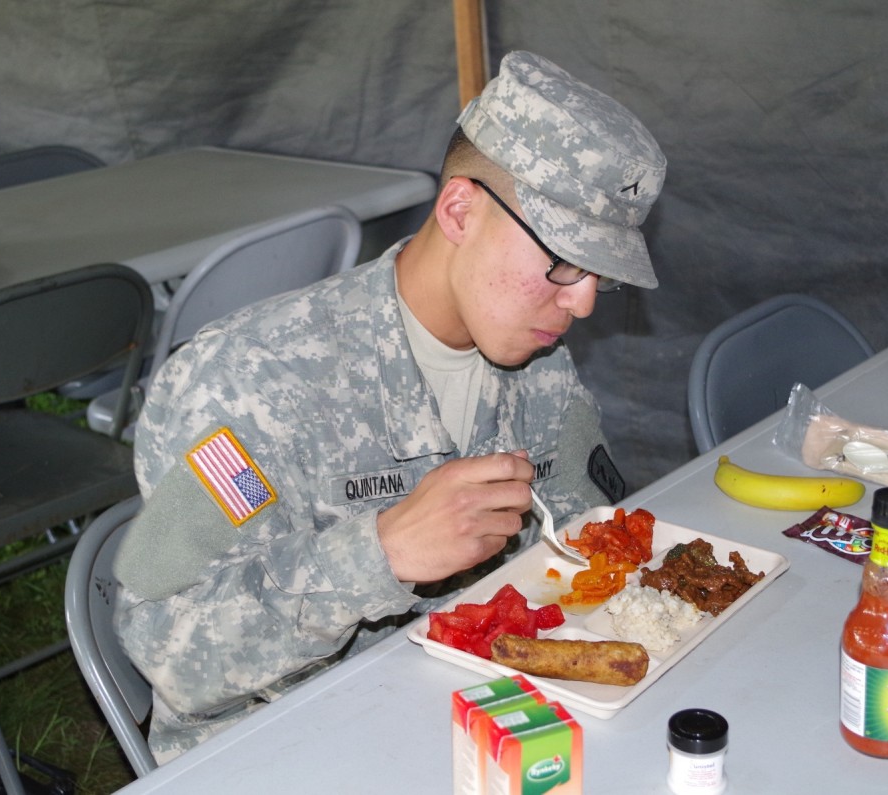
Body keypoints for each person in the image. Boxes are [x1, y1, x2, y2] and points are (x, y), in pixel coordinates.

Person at [114, 50, 667, 762]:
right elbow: (167, 646)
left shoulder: (541, 363)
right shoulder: (248, 385)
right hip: (285, 752)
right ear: (460, 210)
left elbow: (587, 536)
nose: (584, 301)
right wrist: (381, 552)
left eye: (600, 276)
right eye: (563, 260)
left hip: (474, 716)